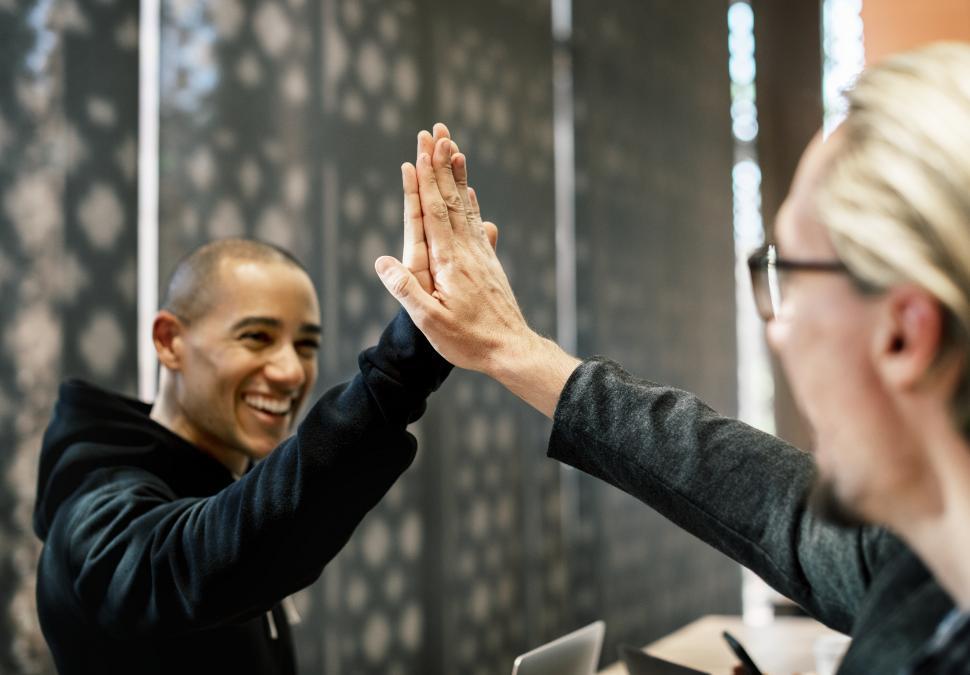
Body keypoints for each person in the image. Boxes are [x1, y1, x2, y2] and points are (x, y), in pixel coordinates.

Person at [375, 43, 970, 672]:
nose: (777, 331)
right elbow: (765, 499)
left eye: (786, 276)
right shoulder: (926, 561)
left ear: (904, 336)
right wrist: (512, 350)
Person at [30, 129, 487, 675]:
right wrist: (400, 370)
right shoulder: (93, 512)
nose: (291, 371)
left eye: (306, 345)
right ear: (169, 341)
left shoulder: (222, 483)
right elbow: (193, 562)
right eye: (255, 337)